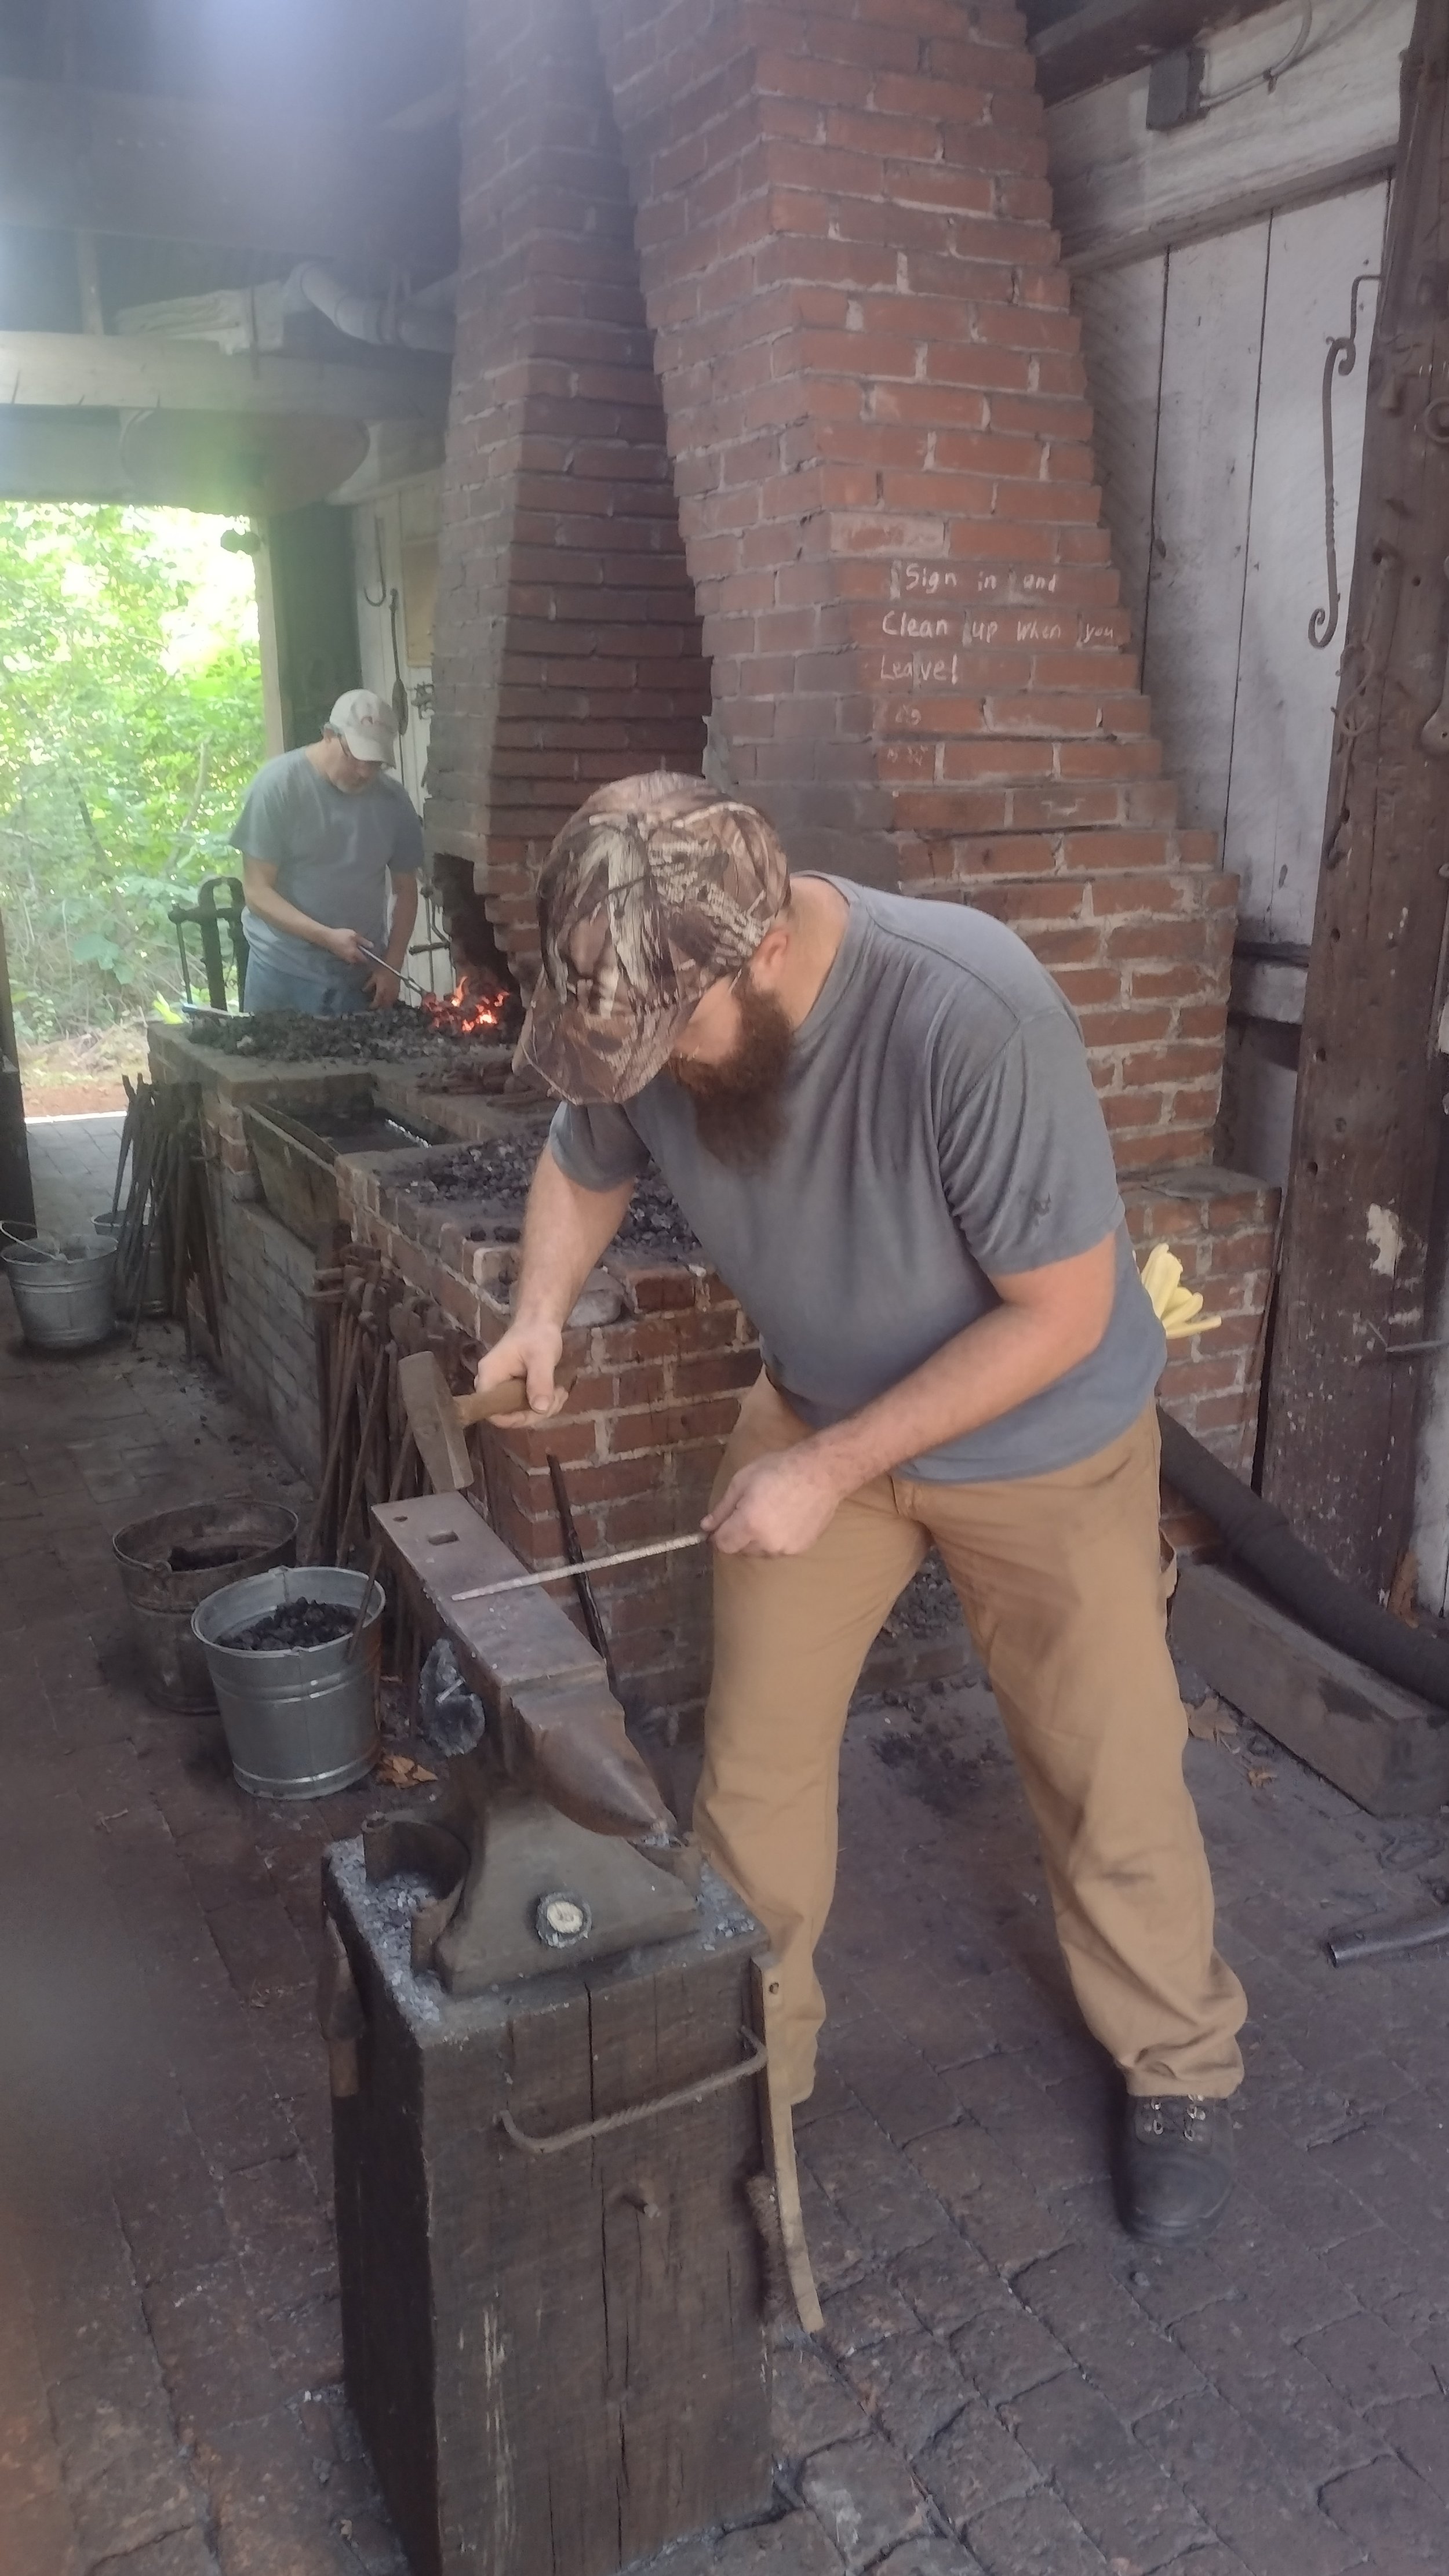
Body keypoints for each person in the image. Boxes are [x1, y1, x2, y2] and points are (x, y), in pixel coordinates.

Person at [475, 773, 1246, 2247]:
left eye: (667, 1036)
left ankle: (1179, 2061)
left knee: (1110, 1770)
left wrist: (823, 1470)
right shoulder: (652, 1012)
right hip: (822, 1409)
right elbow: (583, 1157)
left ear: (762, 950)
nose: (650, 1072)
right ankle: (751, 2058)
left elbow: (1063, 1312)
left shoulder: (971, 1010)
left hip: (1042, 1435)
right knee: (750, 1775)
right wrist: (537, 1313)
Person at [230, 690, 422, 1014]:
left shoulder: (395, 802)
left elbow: (406, 891)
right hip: (281, 974)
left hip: (359, 978)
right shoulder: (277, 787)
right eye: (355, 757)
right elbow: (257, 892)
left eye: (375, 763)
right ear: (330, 735)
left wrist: (392, 964)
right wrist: (326, 937)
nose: (365, 772)